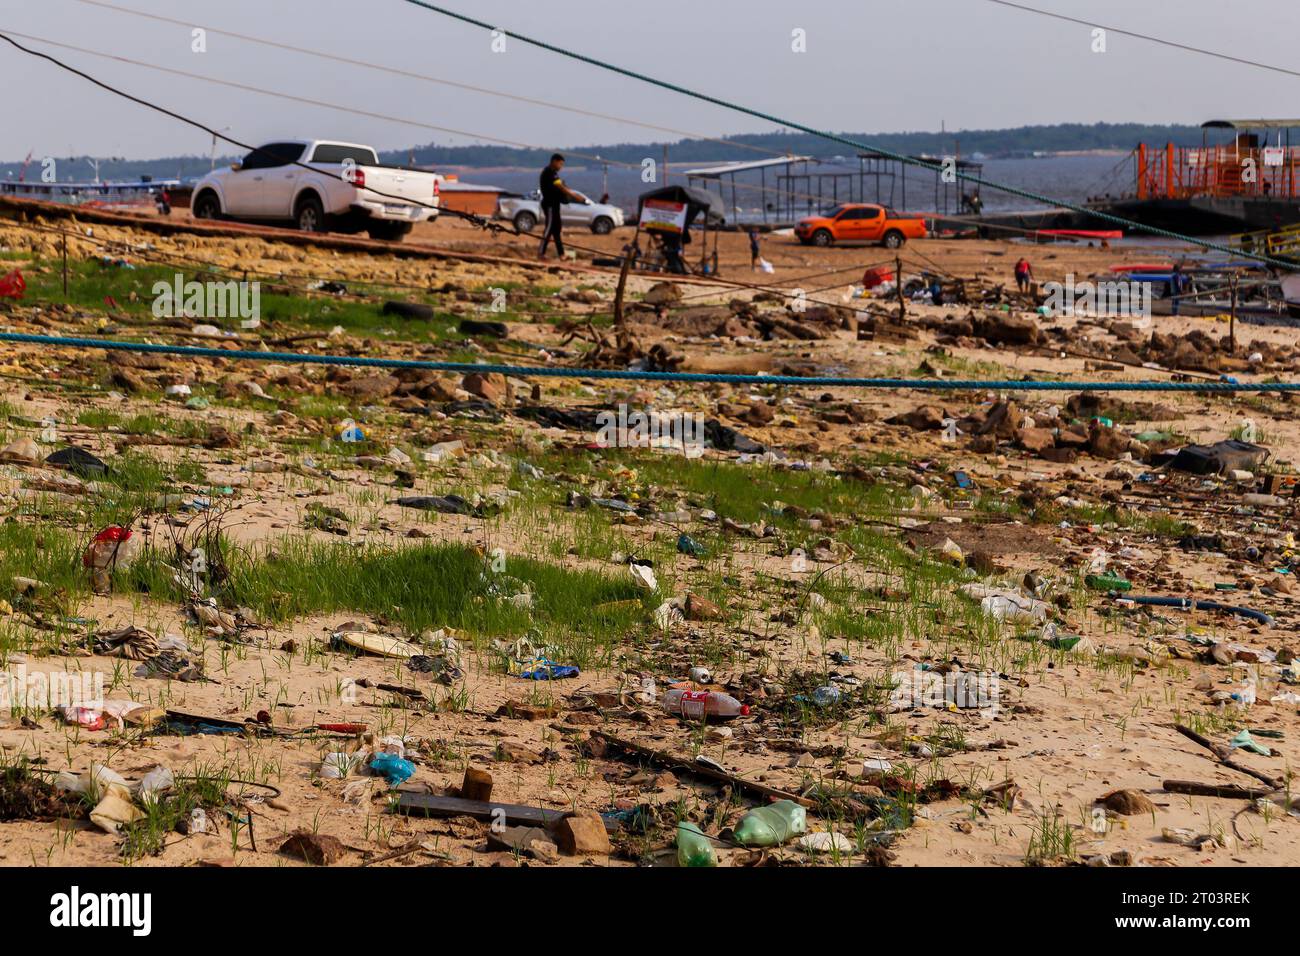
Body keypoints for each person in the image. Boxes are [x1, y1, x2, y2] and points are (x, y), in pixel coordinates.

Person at [538, 153, 581, 260]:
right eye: (560, 164)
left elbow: (560, 185)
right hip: (550, 204)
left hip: (555, 204)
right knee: (549, 229)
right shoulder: (549, 172)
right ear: (554, 161)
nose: (561, 167)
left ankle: (561, 254)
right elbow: (560, 187)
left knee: (557, 230)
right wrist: (574, 196)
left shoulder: (553, 173)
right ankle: (540, 253)